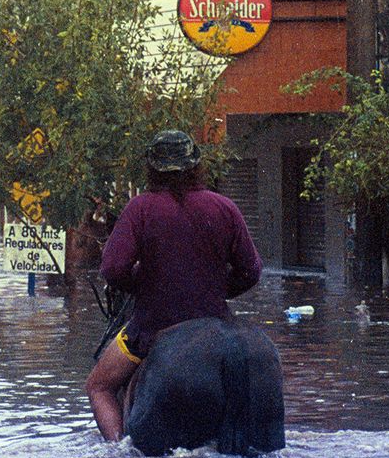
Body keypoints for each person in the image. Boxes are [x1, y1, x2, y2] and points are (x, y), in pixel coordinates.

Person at [84, 130, 263, 442]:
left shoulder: (140, 208)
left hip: (153, 325)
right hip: (215, 322)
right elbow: (251, 270)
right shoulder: (225, 207)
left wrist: (141, 285)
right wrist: (217, 290)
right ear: (196, 167)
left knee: (98, 386)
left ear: (152, 170)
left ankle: (118, 451)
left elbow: (112, 268)